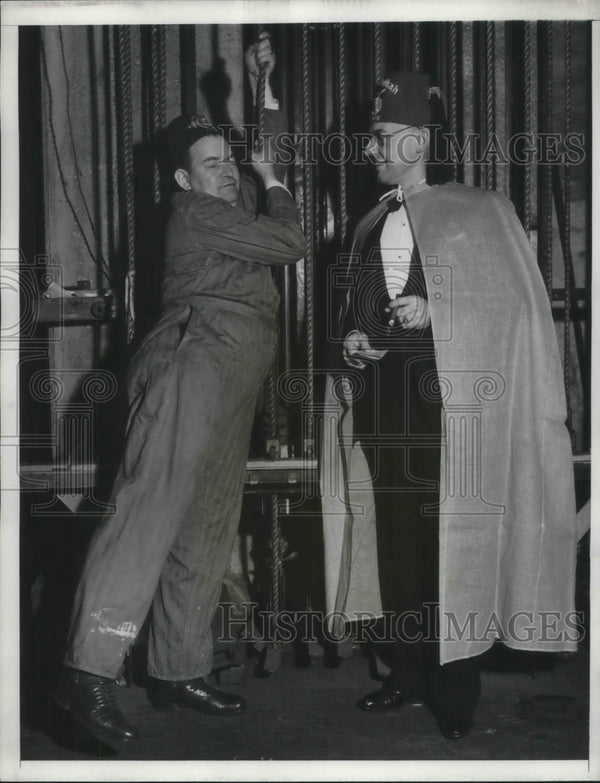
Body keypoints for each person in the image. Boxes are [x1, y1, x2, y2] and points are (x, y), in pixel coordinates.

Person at [53, 32, 306, 743]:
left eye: (230, 164)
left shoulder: (233, 200)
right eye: (212, 166)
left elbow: (266, 158)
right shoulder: (198, 215)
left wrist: (260, 90)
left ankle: (177, 666)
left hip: (233, 374)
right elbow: (288, 240)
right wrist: (275, 185)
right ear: (184, 181)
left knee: (206, 524)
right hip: (192, 359)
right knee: (148, 513)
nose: (229, 174)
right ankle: (87, 670)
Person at [321, 71, 578, 739]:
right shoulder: (367, 222)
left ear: (415, 138)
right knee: (400, 546)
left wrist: (440, 309)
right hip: (385, 409)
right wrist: (352, 340)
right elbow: (353, 309)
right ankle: (406, 672)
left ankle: (456, 689)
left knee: (454, 544)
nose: (370, 150)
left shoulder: (479, 209)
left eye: (379, 138)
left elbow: (512, 305)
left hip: (453, 409)